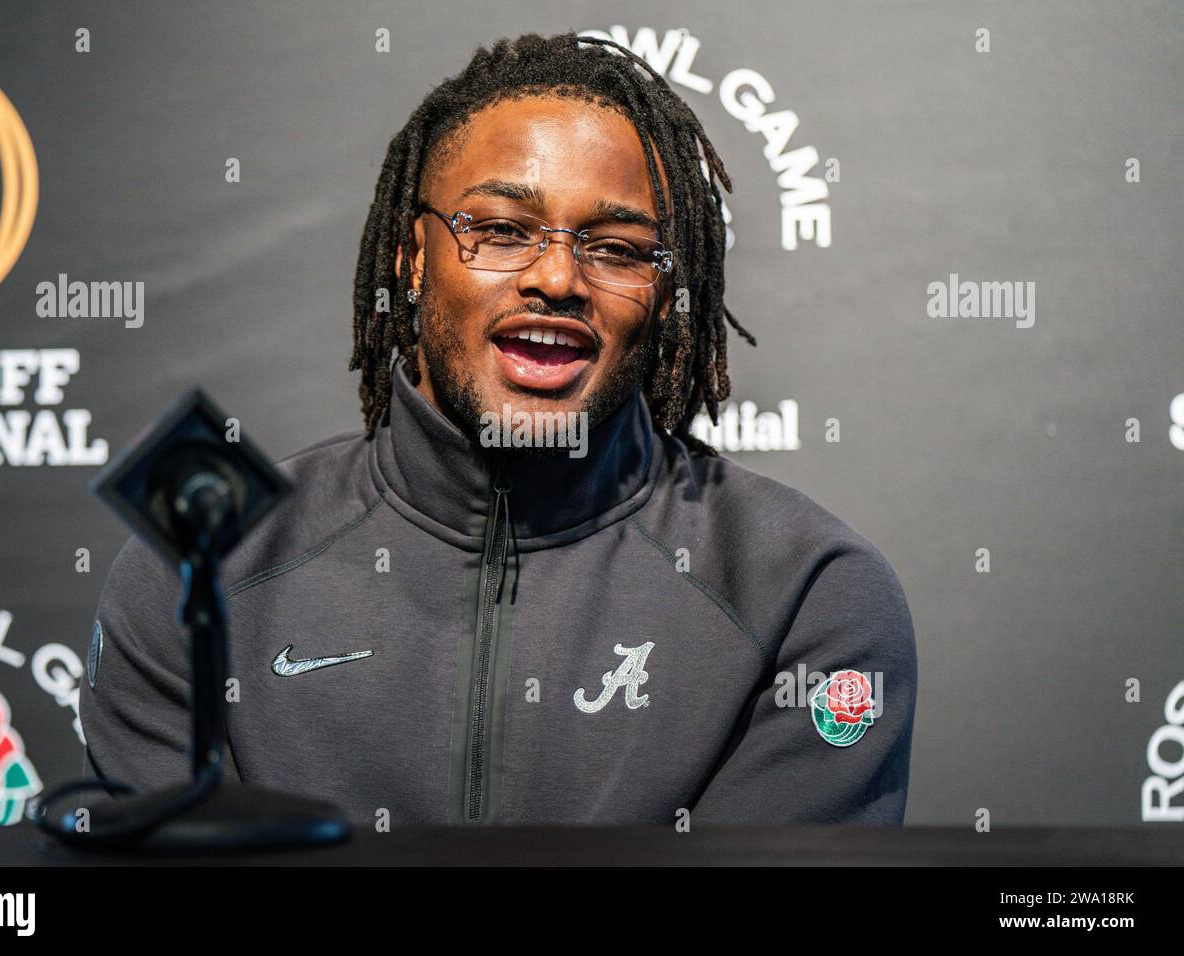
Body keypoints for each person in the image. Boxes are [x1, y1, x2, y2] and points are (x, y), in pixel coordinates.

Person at [80, 32, 916, 825]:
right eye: (501, 231)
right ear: (412, 259)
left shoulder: (806, 591)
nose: (556, 277)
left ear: (665, 294)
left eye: (618, 247)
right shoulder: (199, 563)